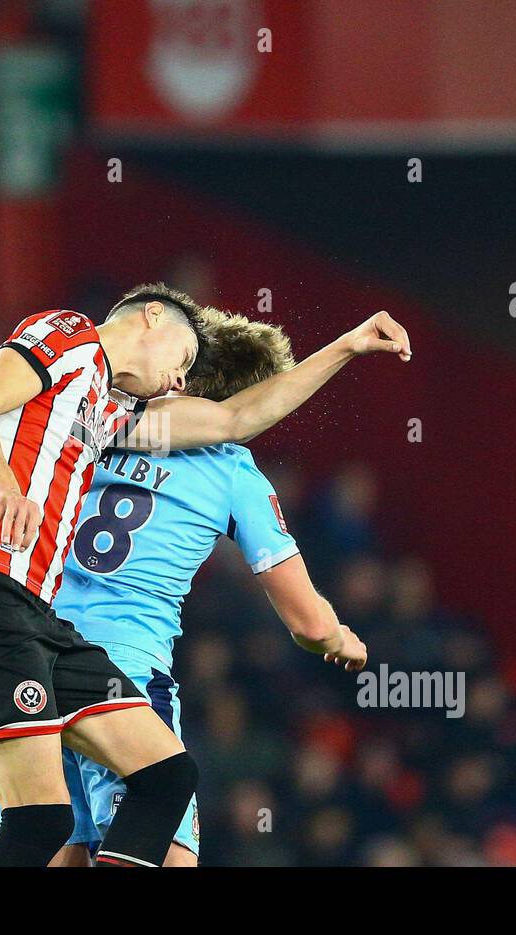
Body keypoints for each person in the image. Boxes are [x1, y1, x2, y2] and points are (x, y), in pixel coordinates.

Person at [0, 283, 411, 867]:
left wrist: (348, 344)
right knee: (60, 825)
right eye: (182, 359)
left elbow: (232, 420)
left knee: (147, 787)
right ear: (151, 318)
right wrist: (7, 490)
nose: (178, 380)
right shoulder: (65, 337)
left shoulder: (100, 418)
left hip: (43, 627)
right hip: (12, 612)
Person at [31, 308, 369, 867]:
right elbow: (309, 624)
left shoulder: (101, 423)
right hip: (121, 674)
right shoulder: (232, 470)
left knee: (60, 849)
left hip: (28, 656)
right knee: (168, 856)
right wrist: (340, 639)